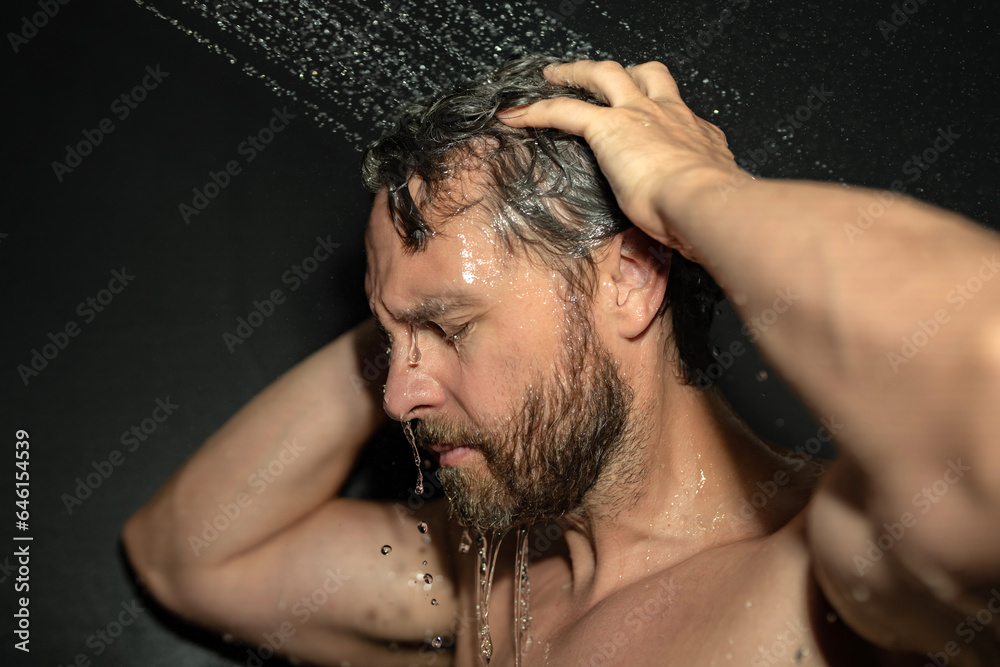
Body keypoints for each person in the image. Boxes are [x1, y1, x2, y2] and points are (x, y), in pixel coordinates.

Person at [122, 54, 1000, 666]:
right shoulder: (492, 584)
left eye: (453, 328)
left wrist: (698, 197)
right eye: (392, 344)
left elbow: (981, 365)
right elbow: (188, 557)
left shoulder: (828, 576)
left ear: (631, 280)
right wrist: (411, 305)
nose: (394, 395)